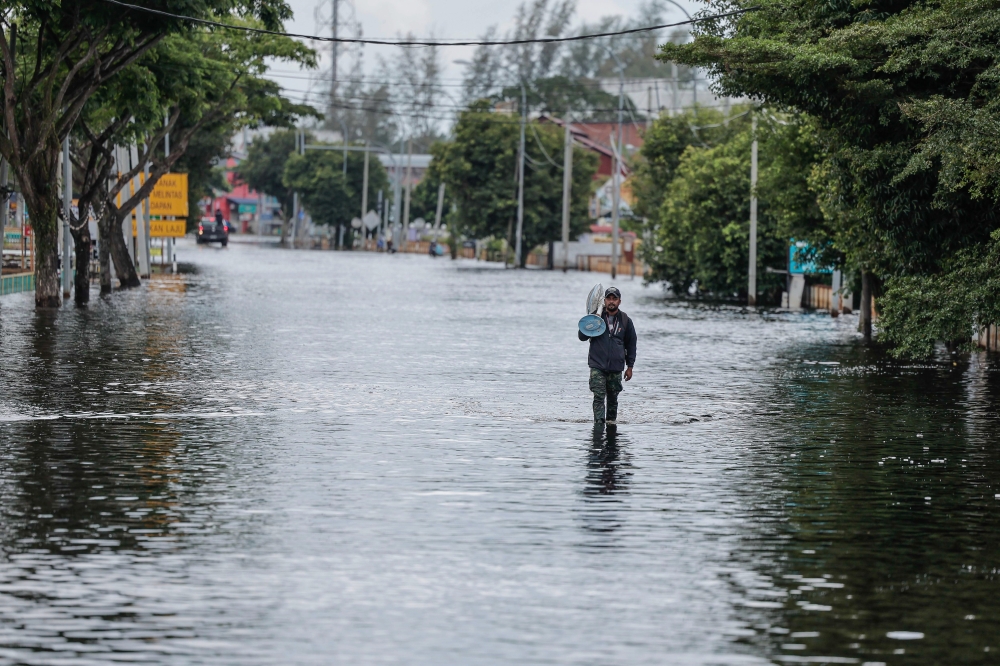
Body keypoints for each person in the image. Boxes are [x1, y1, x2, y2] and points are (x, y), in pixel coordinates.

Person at [578, 287, 636, 426]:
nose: (611, 301)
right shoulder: (595, 316)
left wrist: (630, 367)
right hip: (597, 365)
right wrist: (592, 321)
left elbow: (631, 344)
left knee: (613, 399)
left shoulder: (626, 320)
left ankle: (610, 425)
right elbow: (582, 336)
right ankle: (598, 425)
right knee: (598, 397)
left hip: (616, 367)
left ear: (619, 301)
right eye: (609, 298)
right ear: (604, 301)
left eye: (614, 299)